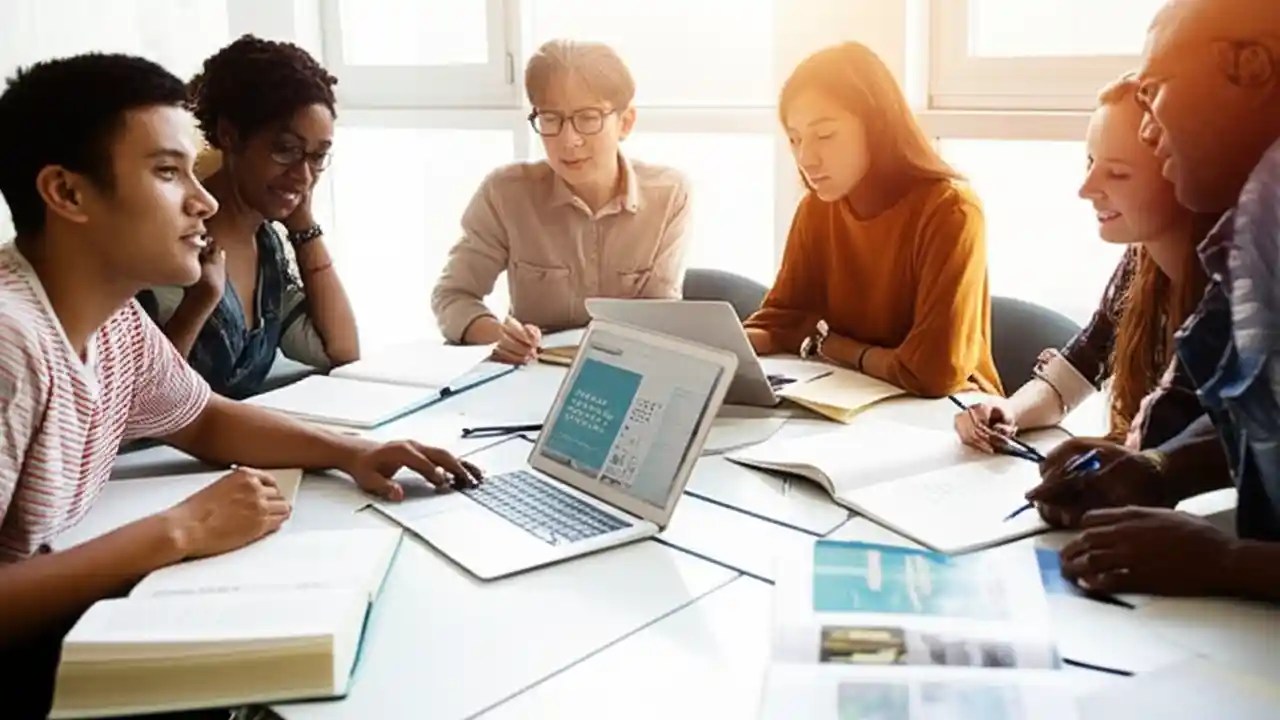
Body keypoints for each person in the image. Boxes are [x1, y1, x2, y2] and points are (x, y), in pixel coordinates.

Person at [0, 53, 480, 712]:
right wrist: (178, 531)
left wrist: (350, 451)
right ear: (67, 193)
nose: (202, 198)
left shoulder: (111, 321)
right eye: (168, 172)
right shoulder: (10, 340)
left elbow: (203, 417)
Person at [1032, 0, 1280, 601]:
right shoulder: (1257, 226)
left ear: (1251, 67)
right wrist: (1159, 468)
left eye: (1155, 92)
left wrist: (1228, 562)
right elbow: (1255, 412)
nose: (1148, 130)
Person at [955, 73, 1213, 456]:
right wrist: (1008, 409)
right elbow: (1077, 369)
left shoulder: (1237, 293)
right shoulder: (1140, 263)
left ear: (1182, 170)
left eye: (1118, 172)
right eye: (1090, 162)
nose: (1086, 188)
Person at [743, 42, 1001, 398]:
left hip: (951, 417)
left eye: (825, 135)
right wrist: (718, 345)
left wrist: (830, 345)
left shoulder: (950, 212)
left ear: (877, 126)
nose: (806, 157)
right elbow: (782, 322)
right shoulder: (817, 209)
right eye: (795, 139)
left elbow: (931, 373)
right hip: (850, 401)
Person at [431, 39, 692, 365]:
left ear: (625, 122)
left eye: (588, 117)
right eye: (551, 118)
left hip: (626, 374)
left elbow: (662, 322)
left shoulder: (668, 194)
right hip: (531, 374)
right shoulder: (506, 192)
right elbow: (453, 295)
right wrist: (501, 338)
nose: (569, 140)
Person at [137, 35, 359, 399]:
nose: (304, 177)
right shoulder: (166, 241)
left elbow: (339, 351)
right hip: (145, 453)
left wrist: (303, 227)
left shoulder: (267, 245)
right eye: (286, 150)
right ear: (231, 135)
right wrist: (200, 302)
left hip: (229, 450)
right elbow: (149, 400)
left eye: (317, 156)